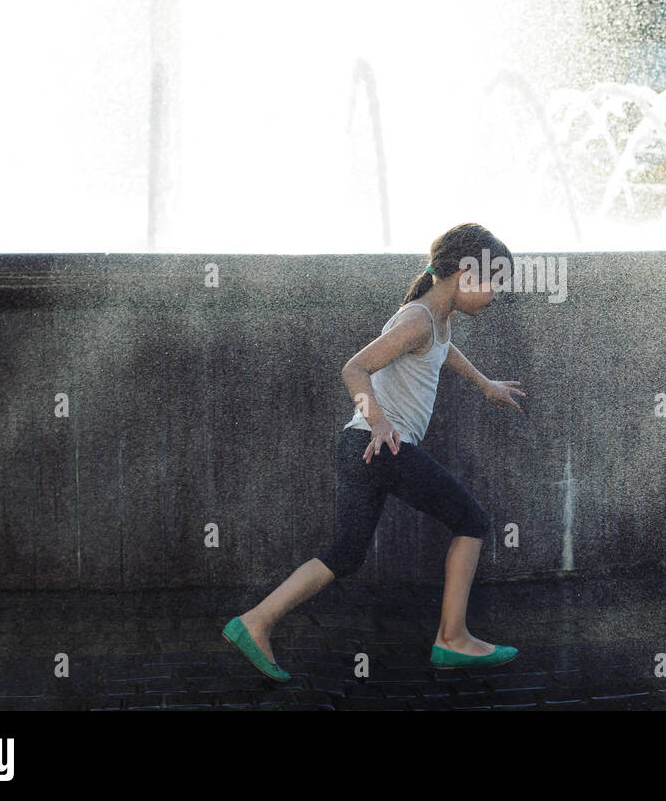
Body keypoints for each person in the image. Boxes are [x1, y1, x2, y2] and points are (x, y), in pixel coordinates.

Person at [223, 223, 529, 678]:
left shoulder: (433, 319)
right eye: (494, 283)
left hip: (361, 449)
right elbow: (355, 368)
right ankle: (452, 639)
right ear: (466, 273)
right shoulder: (417, 319)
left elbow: (443, 353)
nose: (496, 295)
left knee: (345, 555)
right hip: (381, 444)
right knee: (474, 521)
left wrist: (484, 384)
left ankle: (255, 621)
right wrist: (380, 422)